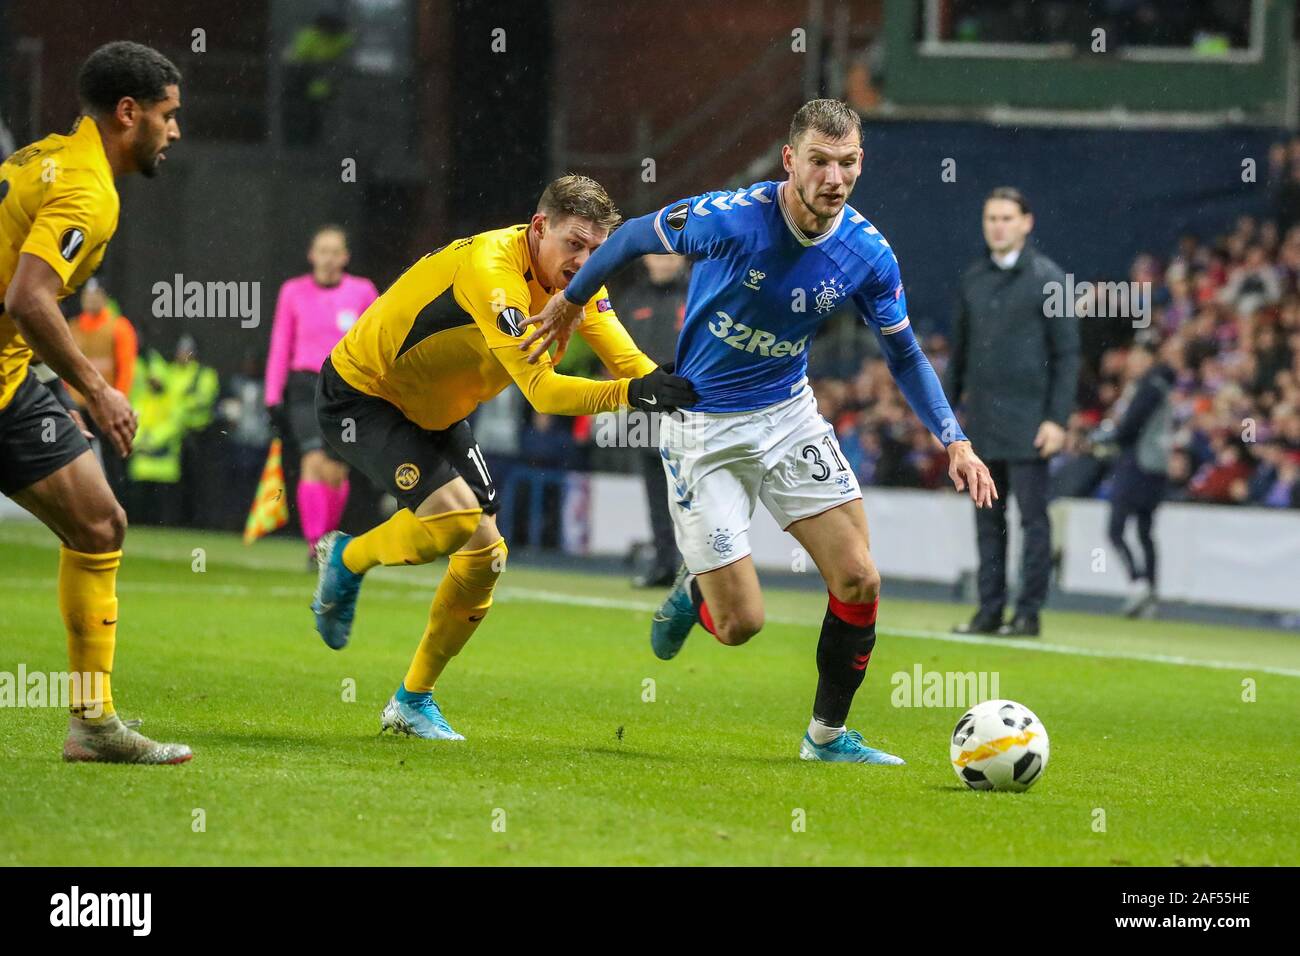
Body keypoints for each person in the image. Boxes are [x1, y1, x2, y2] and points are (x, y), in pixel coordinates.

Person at [523, 100, 997, 765]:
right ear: (790, 161)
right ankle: (696, 591)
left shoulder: (866, 253)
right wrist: (570, 304)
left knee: (859, 578)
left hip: (787, 415)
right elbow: (630, 238)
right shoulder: (732, 218)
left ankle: (826, 738)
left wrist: (955, 437)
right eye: (821, 162)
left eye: (849, 162)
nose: (835, 177)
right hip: (704, 428)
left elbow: (905, 353)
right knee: (742, 625)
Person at [310, 174, 697, 740]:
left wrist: (675, 393)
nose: (584, 260)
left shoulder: (582, 282)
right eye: (573, 244)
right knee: (452, 520)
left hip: (438, 412)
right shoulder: (495, 274)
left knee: (486, 557)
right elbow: (543, 391)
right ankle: (345, 558)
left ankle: (412, 700)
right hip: (365, 393)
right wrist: (633, 396)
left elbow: (628, 360)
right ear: (540, 229)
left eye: (596, 249)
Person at [0, 41, 190, 763]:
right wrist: (98, 388)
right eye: (168, 117)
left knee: (100, 522)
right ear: (128, 113)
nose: (175, 132)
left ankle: (93, 724)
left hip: (10, 380)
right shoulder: (88, 188)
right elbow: (28, 297)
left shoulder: (43, 156)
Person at [946, 187, 1079, 638]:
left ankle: (1028, 614)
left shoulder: (1050, 279)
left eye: (1006, 218)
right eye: (991, 219)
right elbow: (959, 355)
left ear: (1027, 222)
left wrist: (1057, 420)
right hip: (982, 422)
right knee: (987, 519)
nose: (997, 226)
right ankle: (989, 611)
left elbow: (1067, 357)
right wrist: (945, 422)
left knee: (1033, 521)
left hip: (1031, 423)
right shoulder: (973, 279)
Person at [265, 226, 377, 564]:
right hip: (305, 386)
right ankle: (315, 546)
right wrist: (273, 395)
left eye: (335, 252)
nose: (328, 259)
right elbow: (281, 343)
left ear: (345, 257)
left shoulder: (362, 292)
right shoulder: (292, 292)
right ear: (311, 255)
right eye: (322, 251)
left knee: (336, 472)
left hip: (346, 388)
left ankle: (327, 539)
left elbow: (375, 343)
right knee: (312, 461)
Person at [616, 253, 689, 586]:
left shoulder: (699, 292)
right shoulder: (631, 300)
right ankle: (664, 565)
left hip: (691, 405)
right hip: (645, 406)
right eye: (657, 254)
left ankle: (701, 568)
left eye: (669, 254)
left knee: (694, 489)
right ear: (644, 258)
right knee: (656, 492)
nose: (662, 262)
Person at [1096, 339, 1175, 618]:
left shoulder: (1148, 387)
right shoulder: (1162, 386)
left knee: (1115, 529)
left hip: (1137, 465)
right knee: (1144, 531)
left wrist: (1105, 438)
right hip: (1156, 466)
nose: (1133, 363)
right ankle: (1150, 592)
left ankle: (1139, 583)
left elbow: (1130, 427)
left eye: (1139, 357)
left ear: (1150, 359)